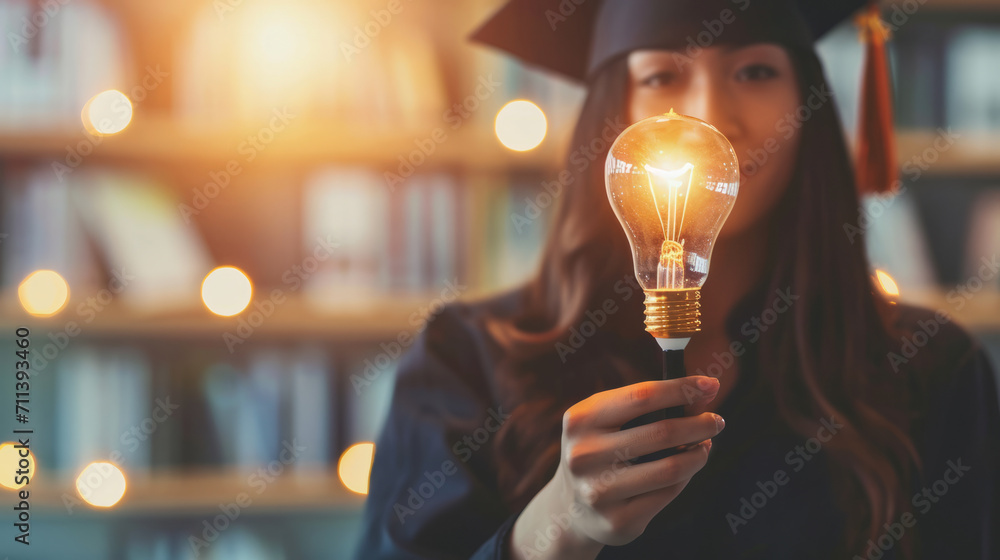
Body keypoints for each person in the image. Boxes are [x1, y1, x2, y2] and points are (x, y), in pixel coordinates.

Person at [354, 0, 1000, 558]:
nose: (709, 117)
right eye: (662, 75)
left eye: (755, 71)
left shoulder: (930, 371)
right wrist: (555, 528)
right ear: (614, 117)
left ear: (808, 105)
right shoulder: (466, 360)